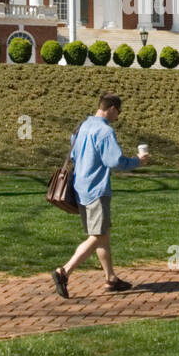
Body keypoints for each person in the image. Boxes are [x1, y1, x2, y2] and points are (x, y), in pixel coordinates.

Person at [51, 92, 149, 298]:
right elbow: (115, 161)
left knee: (102, 235)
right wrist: (137, 161)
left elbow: (76, 154)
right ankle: (64, 271)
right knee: (96, 236)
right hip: (96, 189)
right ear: (112, 108)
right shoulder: (105, 131)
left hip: (80, 186)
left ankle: (110, 278)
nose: (118, 117)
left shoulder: (82, 126)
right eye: (118, 112)